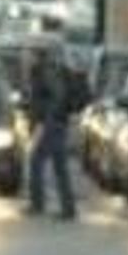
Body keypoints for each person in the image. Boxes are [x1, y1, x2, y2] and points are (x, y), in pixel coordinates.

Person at [26, 48, 77, 219]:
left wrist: (48, 117)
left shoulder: (45, 72)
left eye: (29, 54)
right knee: (59, 166)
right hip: (56, 123)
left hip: (52, 124)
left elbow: (57, 95)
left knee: (36, 161)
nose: (27, 57)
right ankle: (67, 208)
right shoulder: (45, 71)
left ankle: (38, 203)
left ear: (38, 56)